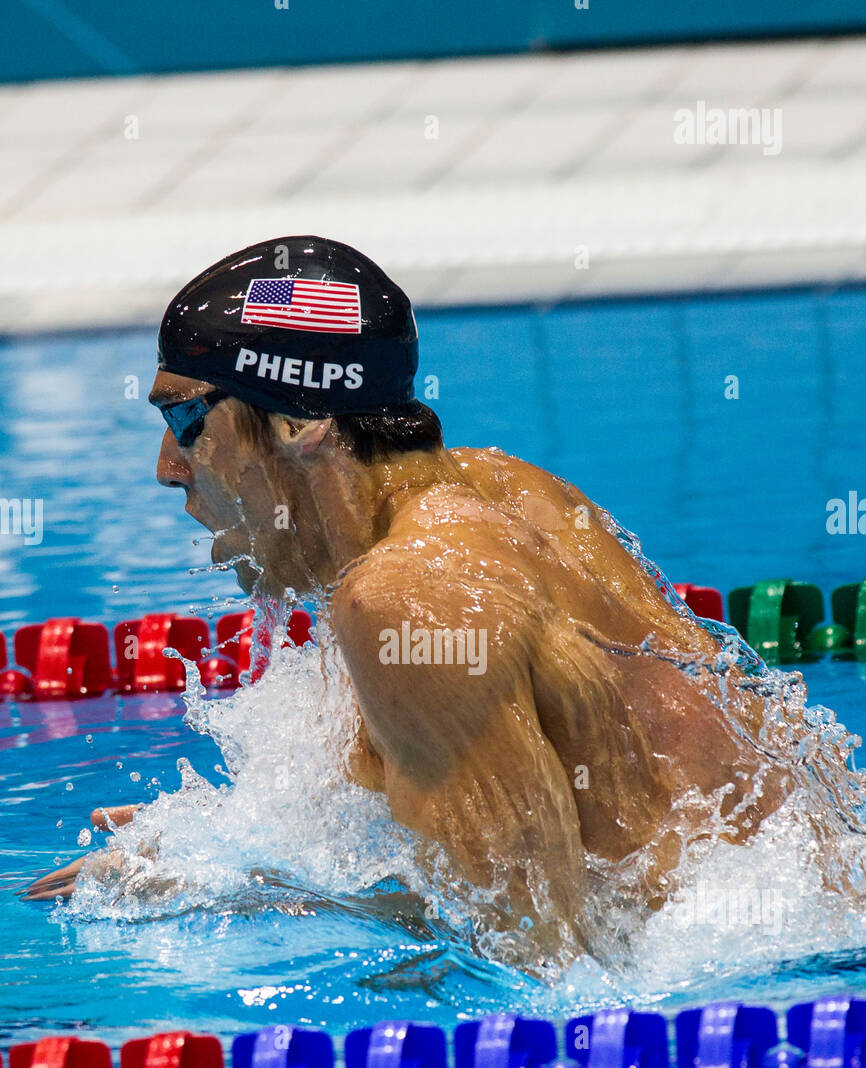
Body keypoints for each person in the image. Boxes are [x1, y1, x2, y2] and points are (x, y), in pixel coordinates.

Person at [23, 236, 790, 967]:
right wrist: (235, 835)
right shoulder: (503, 489)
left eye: (188, 419)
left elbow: (541, 956)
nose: (169, 469)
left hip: (768, 968)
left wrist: (239, 894)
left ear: (301, 422)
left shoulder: (400, 599)